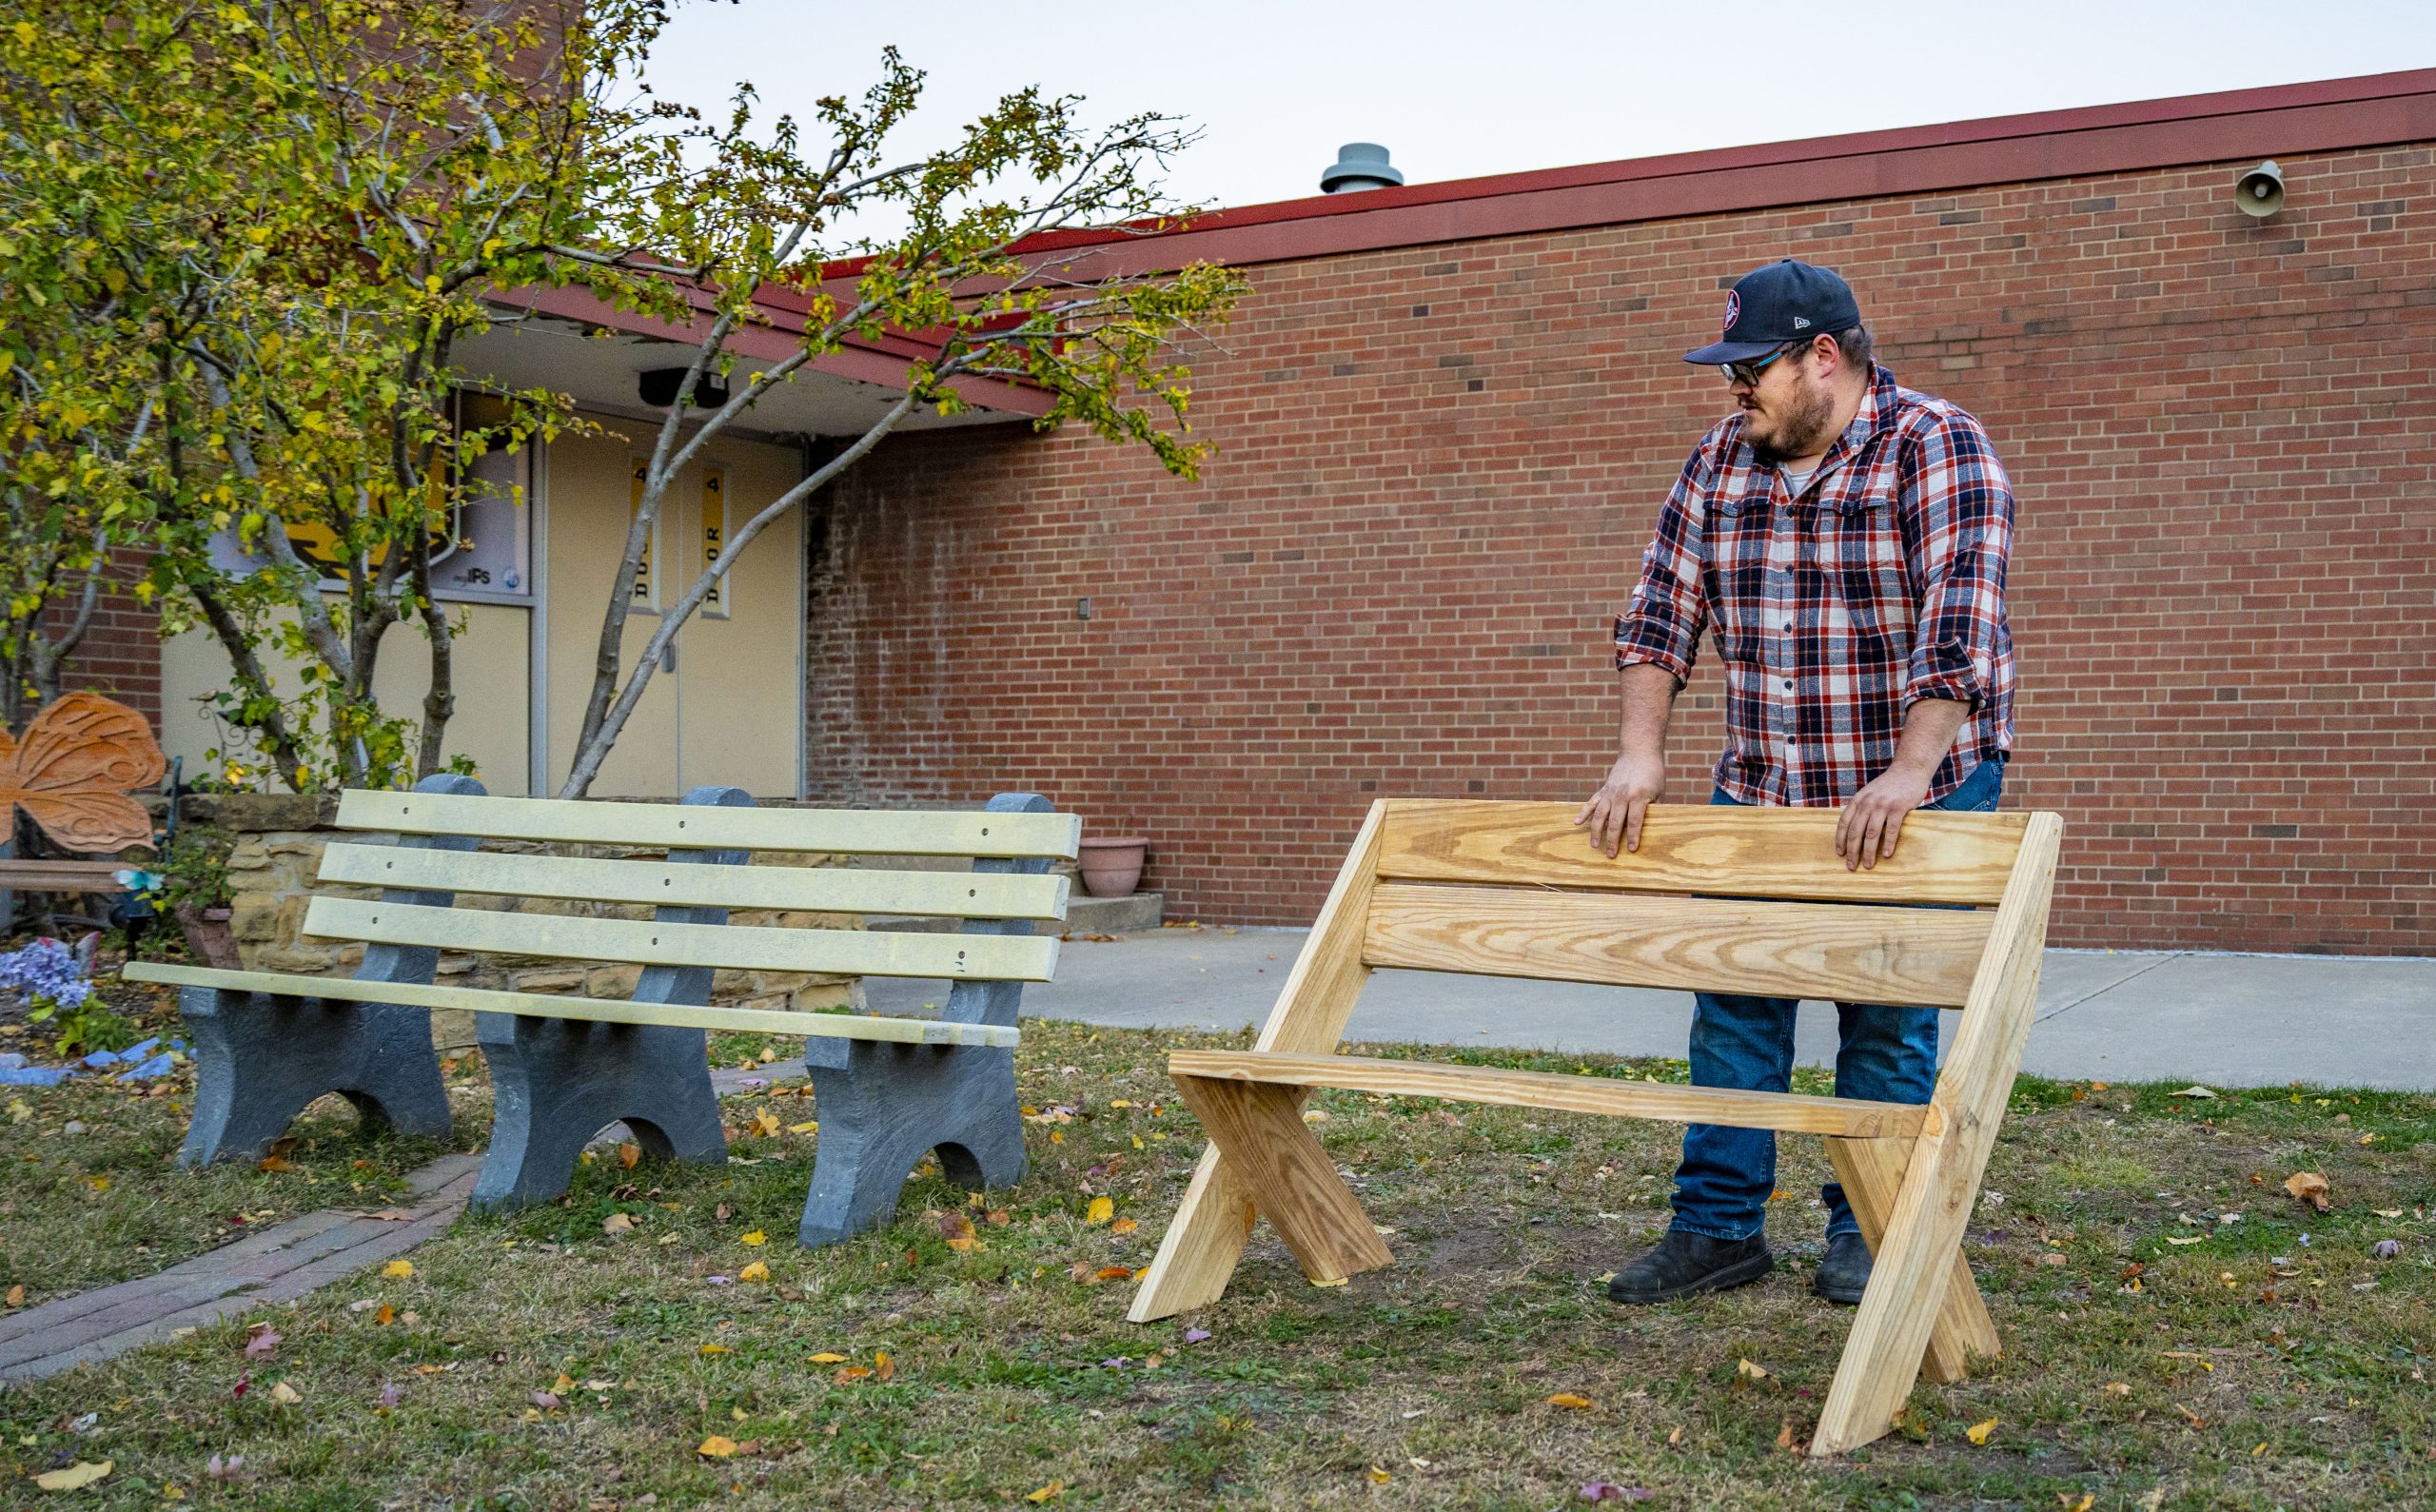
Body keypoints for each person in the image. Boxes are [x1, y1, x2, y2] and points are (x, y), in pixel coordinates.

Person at [1575, 258, 2016, 1306]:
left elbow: (1960, 627)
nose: (1736, 390)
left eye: (1752, 368)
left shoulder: (1937, 446)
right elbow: (1657, 613)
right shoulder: (1721, 460)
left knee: (1882, 1012)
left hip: (1913, 785)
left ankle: (1870, 1223)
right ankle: (1717, 1226)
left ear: (1824, 356)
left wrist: (1909, 770)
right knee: (1733, 1004)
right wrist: (1642, 751)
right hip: (1766, 784)